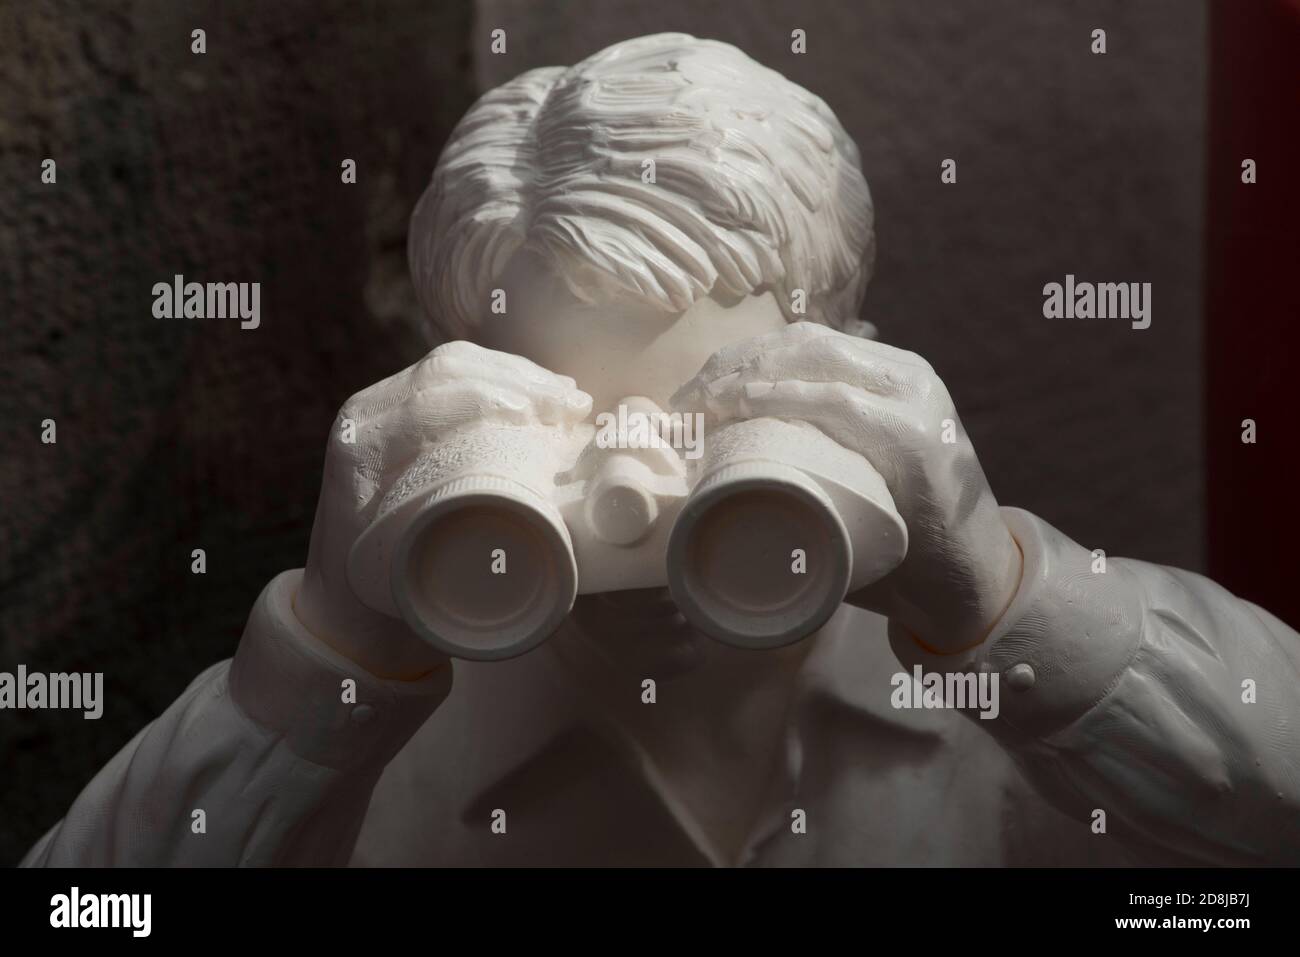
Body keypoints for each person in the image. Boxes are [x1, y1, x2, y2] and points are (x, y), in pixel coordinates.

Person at [23, 33, 1300, 867]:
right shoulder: (358, 770)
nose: (638, 504)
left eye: (722, 420)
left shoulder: (1011, 721)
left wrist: (1012, 600)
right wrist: (319, 659)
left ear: (858, 360)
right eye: (563, 433)